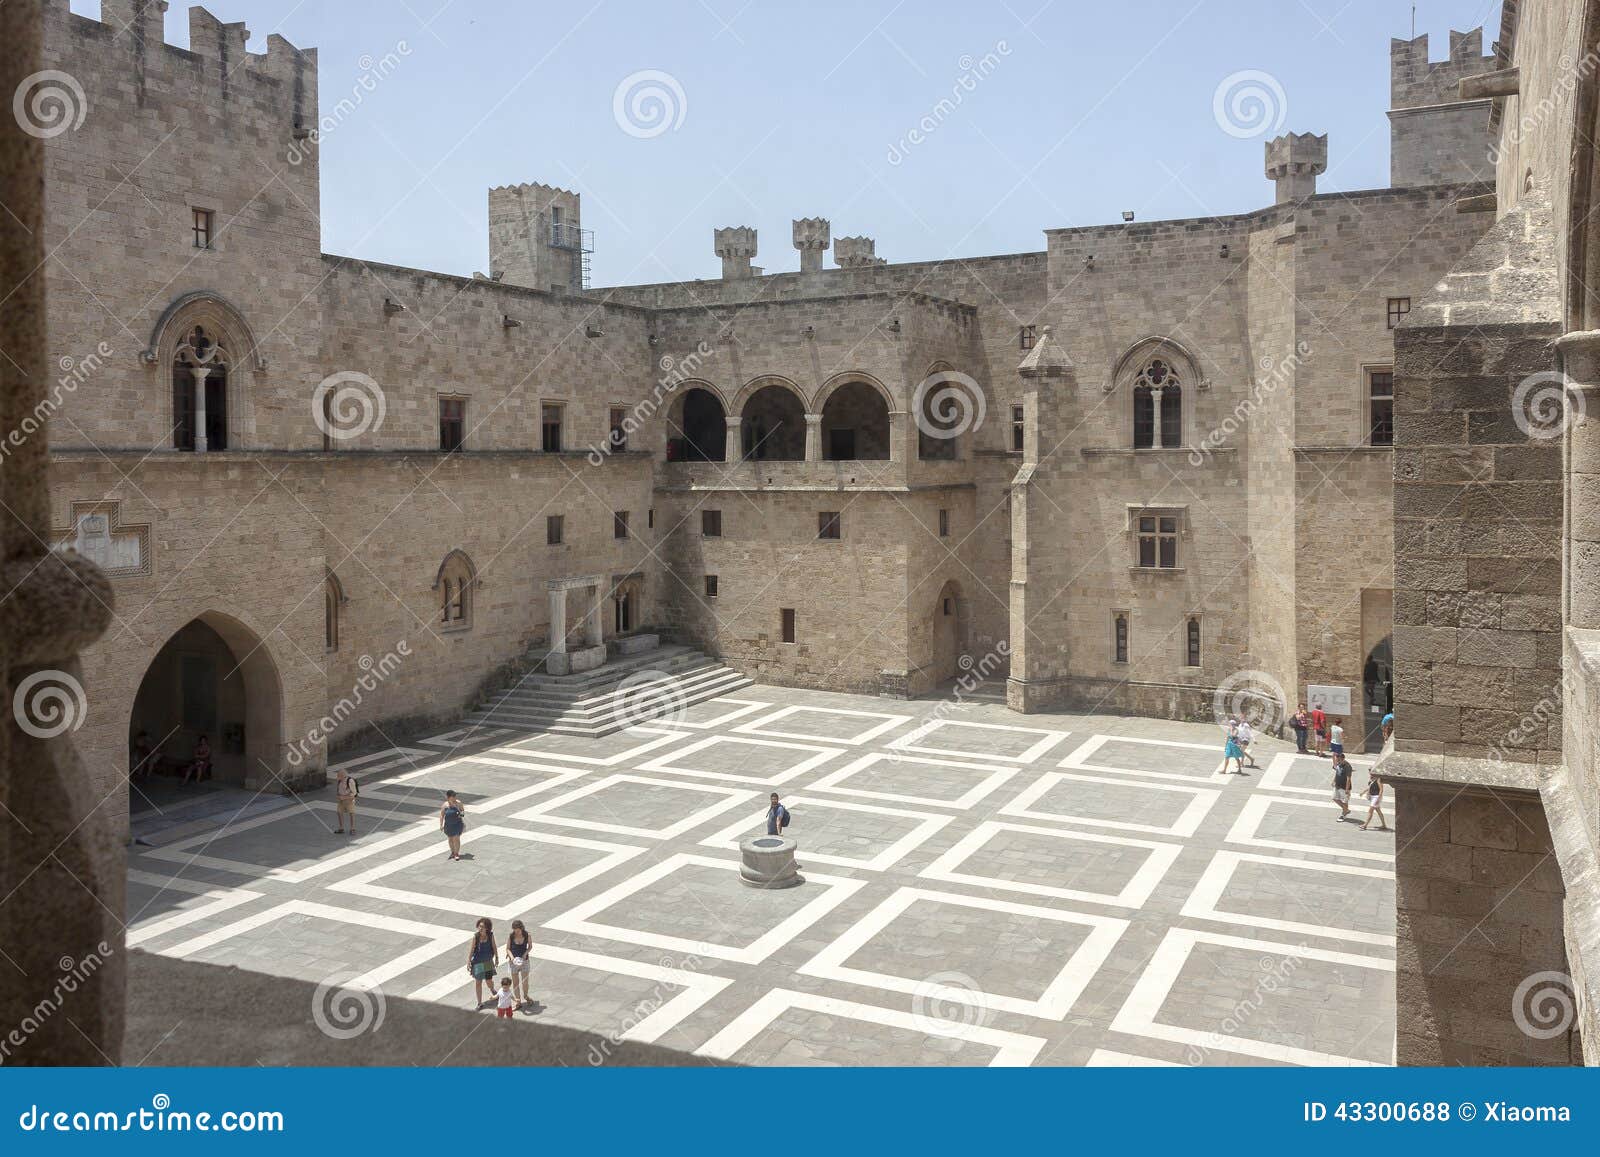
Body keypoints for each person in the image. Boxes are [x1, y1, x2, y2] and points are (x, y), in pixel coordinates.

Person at [467, 916, 497, 1009]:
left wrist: (497, 957)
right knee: (478, 982)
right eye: (479, 926)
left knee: (489, 981)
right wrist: (468, 961)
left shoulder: (490, 935)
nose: (480, 928)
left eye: (482, 926)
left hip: (488, 961)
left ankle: (492, 989)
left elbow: (494, 946)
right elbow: (472, 949)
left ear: (487, 928)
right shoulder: (476, 937)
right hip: (478, 962)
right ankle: (479, 1003)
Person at [505, 919, 533, 1008]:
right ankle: (518, 1001)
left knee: (525, 981)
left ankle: (526, 995)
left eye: (517, 930)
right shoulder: (511, 936)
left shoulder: (527, 935)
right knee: (515, 983)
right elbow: (508, 948)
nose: (516, 932)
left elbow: (530, 946)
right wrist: (512, 958)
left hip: (524, 961)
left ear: (521, 928)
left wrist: (525, 954)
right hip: (513, 962)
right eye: (514, 930)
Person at [440, 790, 466, 861]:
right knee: (450, 839)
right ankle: (452, 852)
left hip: (457, 824)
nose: (455, 797)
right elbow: (442, 815)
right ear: (448, 797)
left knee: (456, 838)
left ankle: (456, 853)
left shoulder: (458, 803)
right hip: (448, 825)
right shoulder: (445, 805)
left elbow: (463, 811)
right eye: (453, 796)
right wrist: (441, 825)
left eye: (455, 796)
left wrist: (460, 814)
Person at [333, 768, 359, 835]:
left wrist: (344, 797)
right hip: (341, 800)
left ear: (343, 775)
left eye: (338, 775)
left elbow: (354, 793)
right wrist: (339, 796)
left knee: (351, 813)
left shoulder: (350, 781)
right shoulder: (340, 781)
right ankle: (341, 828)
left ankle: (352, 828)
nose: (337, 777)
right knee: (339, 812)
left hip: (349, 800)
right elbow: (339, 790)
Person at [1331, 752, 1354, 821]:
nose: (1337, 761)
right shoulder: (1339, 763)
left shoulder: (1347, 766)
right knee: (1334, 798)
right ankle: (1346, 810)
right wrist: (1334, 780)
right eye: (1337, 760)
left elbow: (1348, 778)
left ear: (1342, 759)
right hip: (1337, 785)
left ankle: (1343, 815)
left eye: (1338, 760)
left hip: (1344, 787)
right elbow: (1337, 772)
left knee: (1344, 802)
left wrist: (1347, 789)